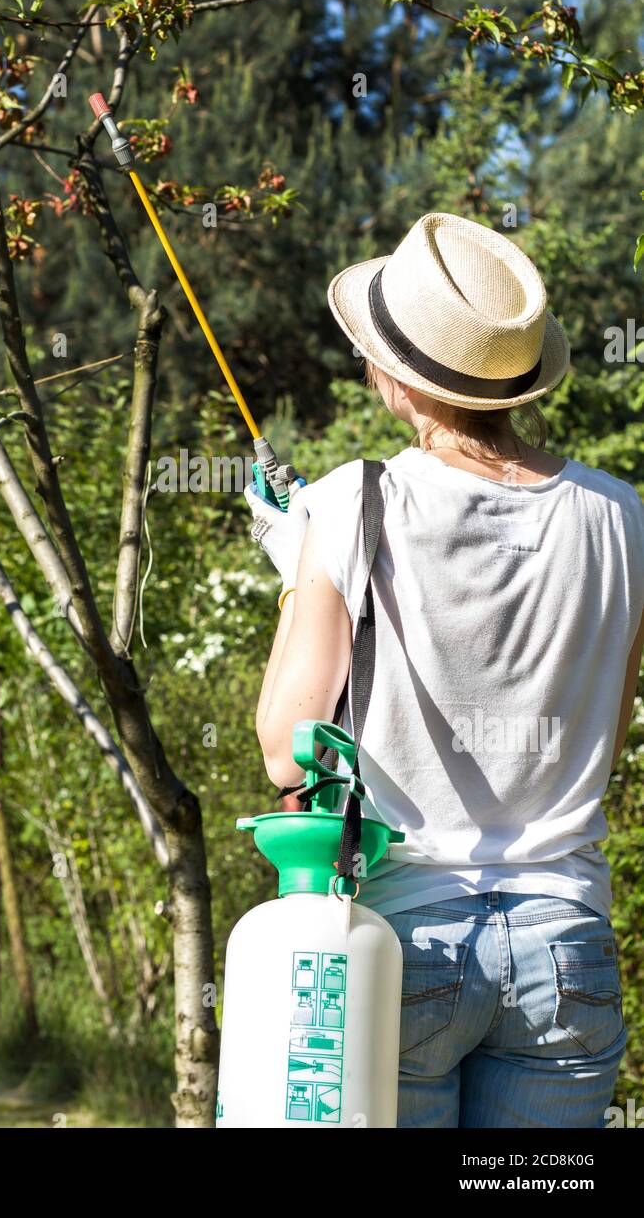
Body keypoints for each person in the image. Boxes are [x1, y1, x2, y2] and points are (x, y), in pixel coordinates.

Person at [246, 211, 644, 1129]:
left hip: (404, 941)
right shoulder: (622, 516)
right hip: (568, 947)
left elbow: (286, 747)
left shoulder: (354, 503)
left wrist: (301, 575)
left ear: (398, 380)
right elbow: (605, 735)